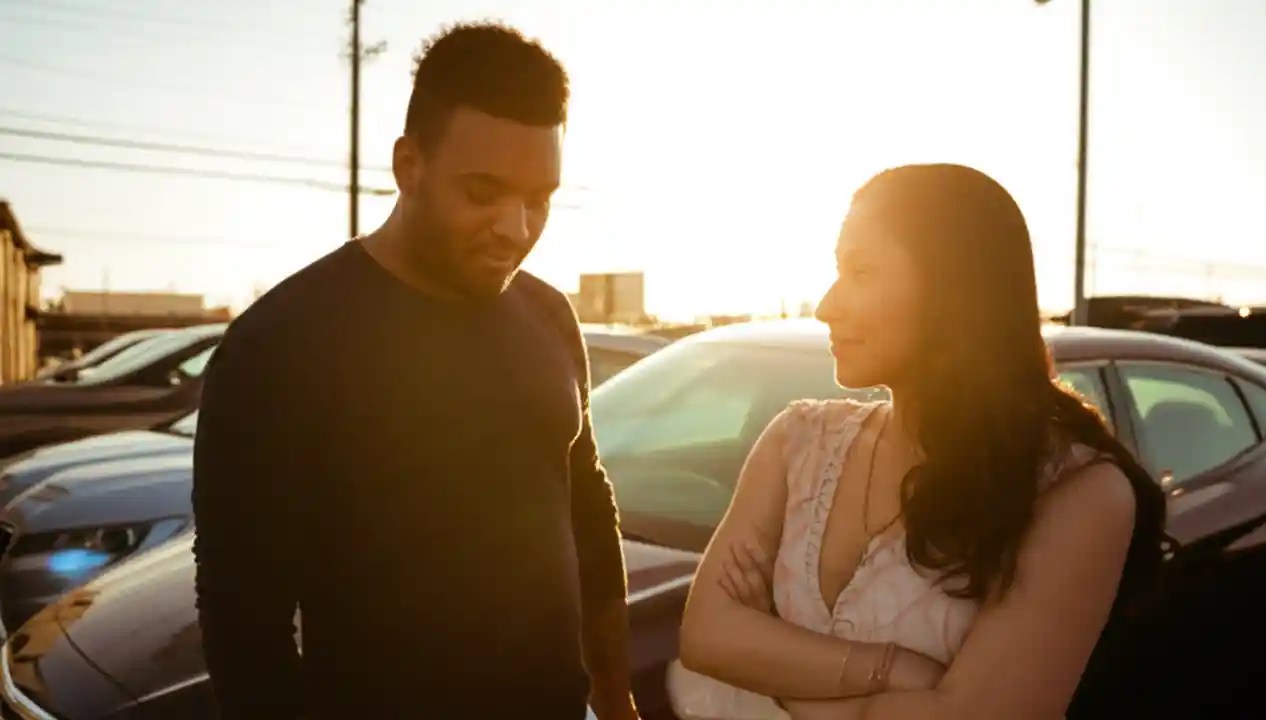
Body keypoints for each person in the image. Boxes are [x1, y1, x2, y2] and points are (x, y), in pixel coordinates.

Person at [193, 22, 637, 720]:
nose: (516, 229)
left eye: (538, 199)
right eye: (483, 193)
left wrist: (615, 698)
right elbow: (244, 624)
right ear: (409, 166)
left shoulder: (548, 315)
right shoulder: (281, 345)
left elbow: (585, 506)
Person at [679, 164, 1167, 719]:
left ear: (953, 289)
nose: (826, 306)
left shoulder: (1078, 495)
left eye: (862, 272)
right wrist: (894, 670)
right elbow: (705, 637)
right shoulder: (797, 443)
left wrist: (768, 663)